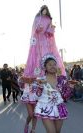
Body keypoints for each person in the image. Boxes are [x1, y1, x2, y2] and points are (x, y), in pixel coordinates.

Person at [21, 5, 66, 133]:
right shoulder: (39, 80)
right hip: (39, 42)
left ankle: (33, 128)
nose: (45, 12)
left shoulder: (60, 79)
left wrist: (51, 29)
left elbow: (66, 90)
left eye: (54, 64)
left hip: (58, 107)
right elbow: (35, 30)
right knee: (32, 114)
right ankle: (31, 128)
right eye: (43, 11)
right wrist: (26, 79)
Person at [34, 55, 73, 133]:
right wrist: (40, 86)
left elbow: (65, 96)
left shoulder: (62, 79)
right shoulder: (41, 80)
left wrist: (70, 88)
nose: (52, 66)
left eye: (54, 64)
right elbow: (36, 96)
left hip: (59, 108)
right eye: (50, 64)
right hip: (45, 108)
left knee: (57, 131)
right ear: (45, 67)